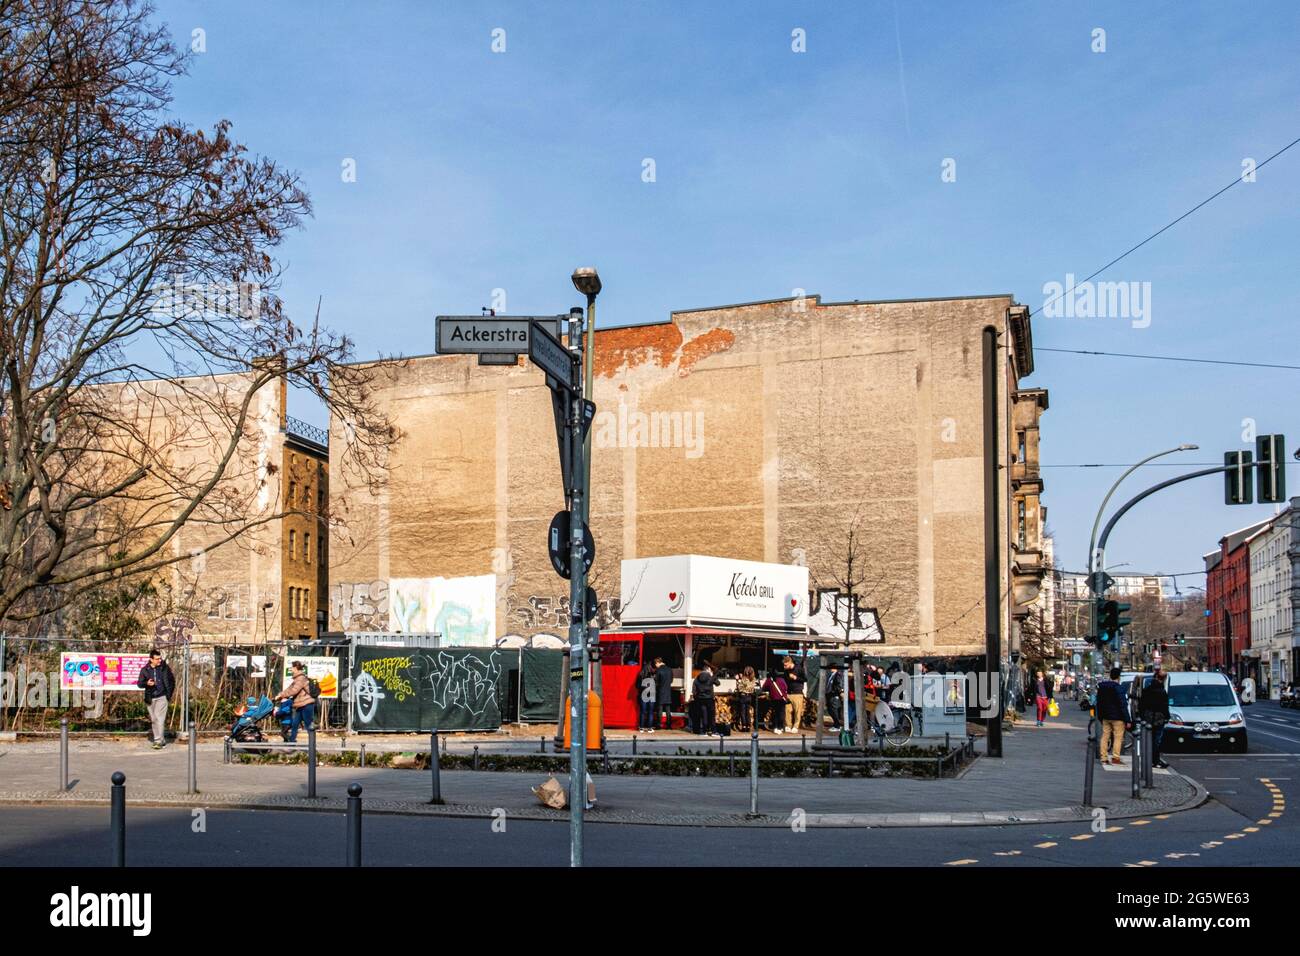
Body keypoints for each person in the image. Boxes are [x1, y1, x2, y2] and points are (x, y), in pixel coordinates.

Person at [136, 648, 176, 749]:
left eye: (160, 658)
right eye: (157, 659)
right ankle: (161, 739)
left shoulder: (164, 668)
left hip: (162, 697)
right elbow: (139, 684)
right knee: (154, 719)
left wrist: (168, 694)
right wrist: (147, 683)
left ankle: (157, 740)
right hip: (150, 698)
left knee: (160, 718)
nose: (159, 660)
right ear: (151, 659)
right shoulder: (145, 670)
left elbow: (172, 681)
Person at [1095, 666, 1131, 765]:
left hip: (1106, 716)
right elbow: (1123, 704)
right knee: (1118, 737)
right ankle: (1115, 757)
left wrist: (1100, 716)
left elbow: (1099, 702)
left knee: (1105, 736)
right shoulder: (1118, 688)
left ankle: (1103, 757)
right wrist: (1128, 720)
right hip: (1118, 717)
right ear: (1118, 677)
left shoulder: (1102, 687)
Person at [274, 661, 316, 743]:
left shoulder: (301, 678)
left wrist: (282, 696)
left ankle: (312, 744)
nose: (291, 669)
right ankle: (292, 741)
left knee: (308, 725)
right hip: (300, 705)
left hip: (307, 704)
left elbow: (294, 691)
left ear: (296, 668)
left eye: (292, 667)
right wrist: (280, 694)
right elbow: (289, 688)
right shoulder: (297, 679)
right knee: (295, 724)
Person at [1140, 667, 1171, 769]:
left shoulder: (1147, 690)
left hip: (1148, 717)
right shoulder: (1162, 692)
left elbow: (1142, 705)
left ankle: (1149, 759)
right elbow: (1164, 707)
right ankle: (1155, 761)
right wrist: (1167, 717)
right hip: (1158, 718)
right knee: (1157, 740)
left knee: (1149, 739)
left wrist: (1142, 716)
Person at [691, 662, 719, 734]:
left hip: (700, 699)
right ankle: (713, 730)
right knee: (711, 714)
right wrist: (713, 675)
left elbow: (694, 690)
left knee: (704, 714)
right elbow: (718, 684)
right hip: (709, 698)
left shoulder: (697, 678)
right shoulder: (710, 677)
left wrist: (696, 697)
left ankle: (704, 730)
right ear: (708, 670)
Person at [782, 656, 806, 733]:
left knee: (797, 711)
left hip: (797, 693)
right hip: (788, 693)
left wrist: (796, 678)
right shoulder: (786, 671)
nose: (784, 667)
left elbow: (805, 679)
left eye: (785, 665)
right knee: (787, 710)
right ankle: (788, 725)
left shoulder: (799, 668)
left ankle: (795, 726)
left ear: (790, 663)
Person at [653, 657, 674, 731]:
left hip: (661, 691)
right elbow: (671, 680)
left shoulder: (658, 670)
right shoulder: (669, 669)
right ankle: (669, 725)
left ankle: (659, 725)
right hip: (668, 691)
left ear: (657, 662)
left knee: (660, 709)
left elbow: (656, 682)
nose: (655, 666)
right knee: (668, 709)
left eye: (655, 664)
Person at [735, 666, 758, 731]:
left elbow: (739, 688)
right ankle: (748, 726)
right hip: (749, 696)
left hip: (743, 696)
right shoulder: (753, 679)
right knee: (747, 712)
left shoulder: (744, 679)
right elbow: (752, 687)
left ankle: (744, 726)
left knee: (743, 712)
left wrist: (737, 680)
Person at [637, 662, 657, 732]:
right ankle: (649, 728)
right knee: (650, 712)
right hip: (652, 693)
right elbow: (657, 684)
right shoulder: (654, 674)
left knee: (643, 711)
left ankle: (641, 727)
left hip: (643, 694)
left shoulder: (641, 674)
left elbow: (637, 685)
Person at [825, 664, 844, 729]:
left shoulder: (838, 674)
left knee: (834, 709)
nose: (830, 669)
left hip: (834, 695)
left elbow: (838, 684)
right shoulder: (831, 675)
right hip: (829, 694)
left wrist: (838, 692)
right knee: (830, 709)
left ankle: (837, 725)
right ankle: (836, 723)